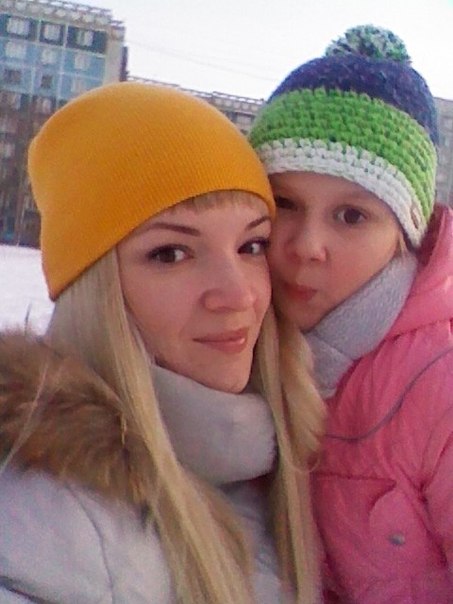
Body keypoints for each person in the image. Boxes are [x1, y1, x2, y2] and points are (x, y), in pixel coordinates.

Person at [0, 82, 325, 603]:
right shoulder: (50, 518)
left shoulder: (275, 465)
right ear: (96, 290)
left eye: (251, 245)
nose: (238, 294)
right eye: (171, 253)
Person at [249, 24, 453, 603]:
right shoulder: (230, 347)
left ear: (404, 234)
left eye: (351, 216)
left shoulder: (439, 386)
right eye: (285, 204)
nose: (306, 246)